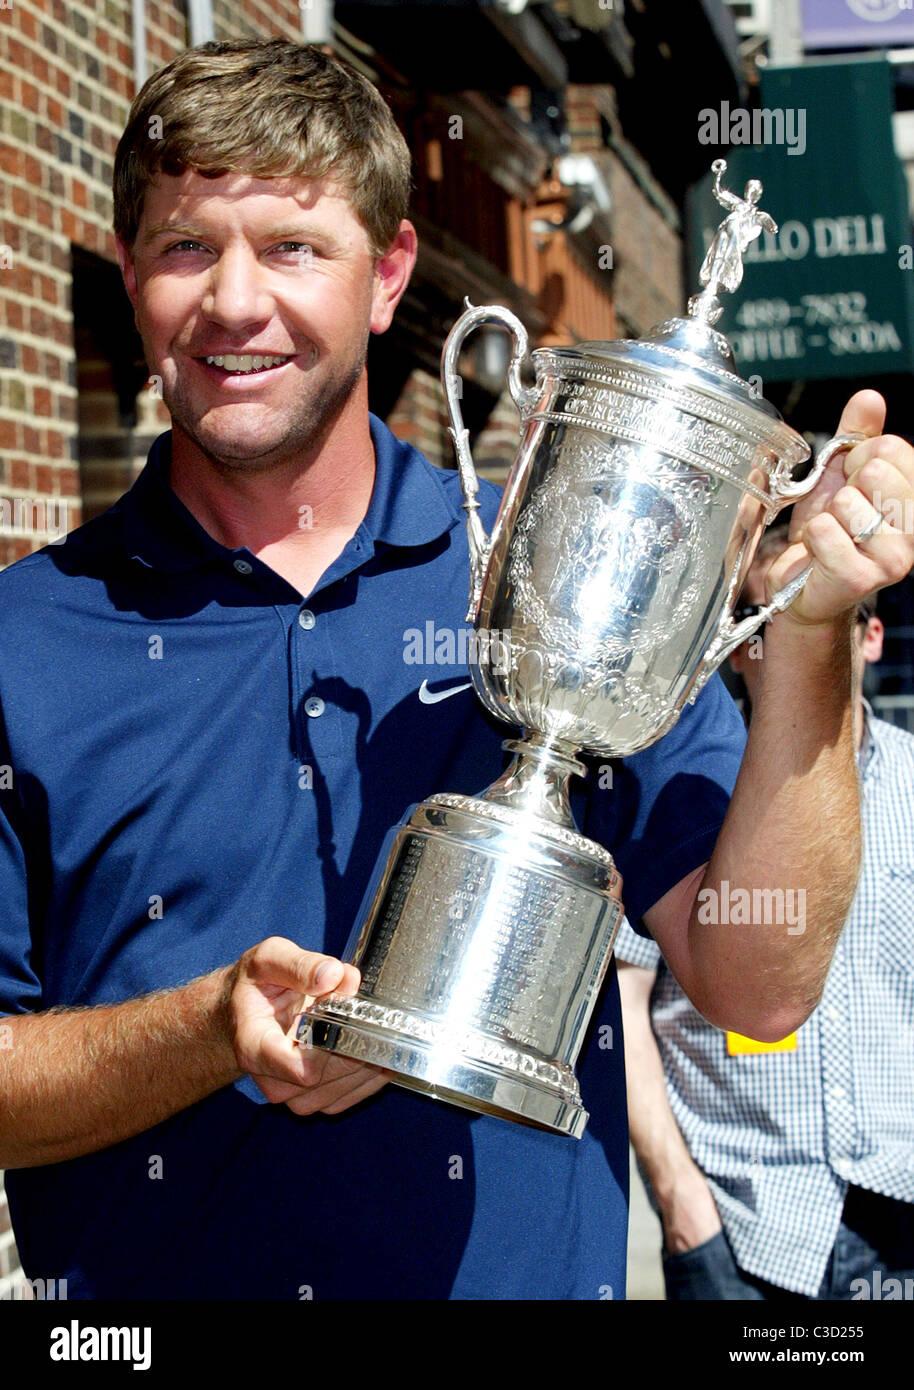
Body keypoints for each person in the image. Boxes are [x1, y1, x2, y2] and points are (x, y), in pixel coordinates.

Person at [0, 37, 912, 1300]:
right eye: (186, 245)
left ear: (389, 279)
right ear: (129, 274)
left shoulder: (557, 573)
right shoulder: (26, 638)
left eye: (294, 246)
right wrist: (205, 1029)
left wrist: (813, 638)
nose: (234, 301)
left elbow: (758, 984)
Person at [617, 525, 914, 1300]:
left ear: (871, 635)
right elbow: (623, 999)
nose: (785, 643)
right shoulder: (687, 799)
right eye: (764, 619)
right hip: (747, 1233)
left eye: (817, 612)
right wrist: (682, 1205)